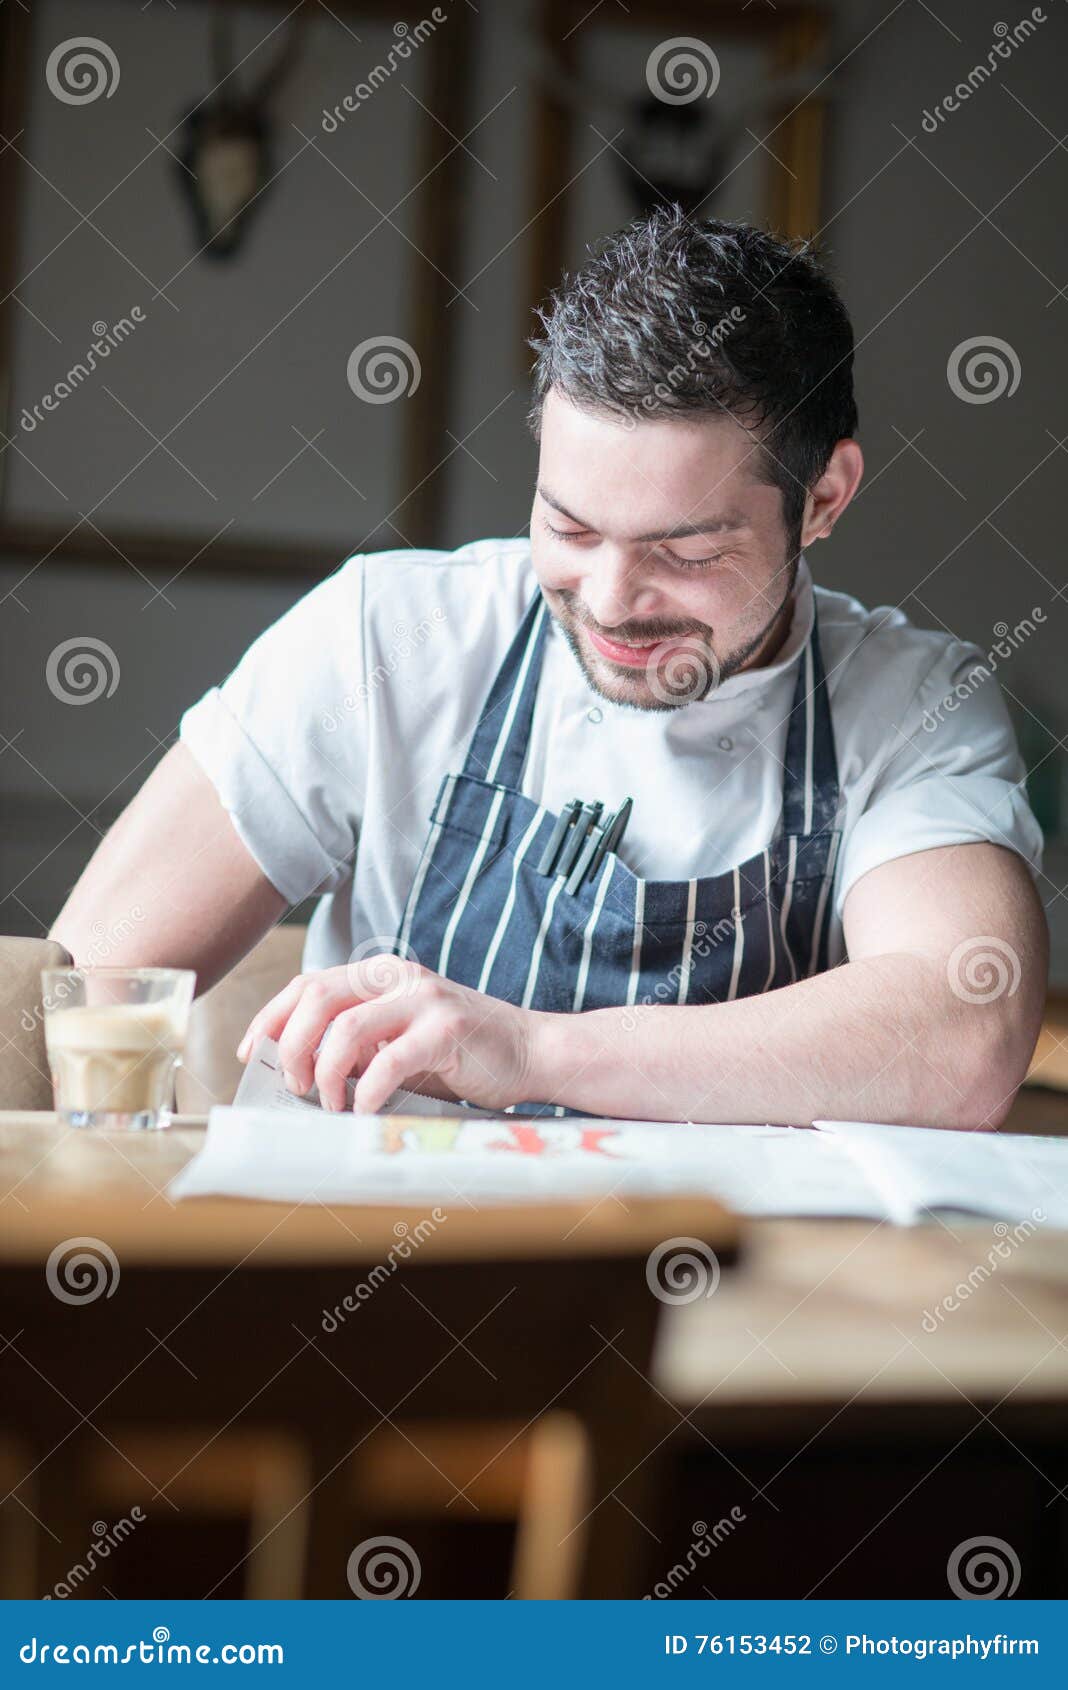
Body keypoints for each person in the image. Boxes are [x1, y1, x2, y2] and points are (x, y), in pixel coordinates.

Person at [53, 208, 1046, 1127]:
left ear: (824, 497)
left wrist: (528, 1050)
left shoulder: (909, 704)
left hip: (717, 1307)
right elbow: (73, 992)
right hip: (350, 1274)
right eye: (569, 527)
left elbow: (966, 1032)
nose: (612, 601)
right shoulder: (385, 637)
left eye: (687, 553)